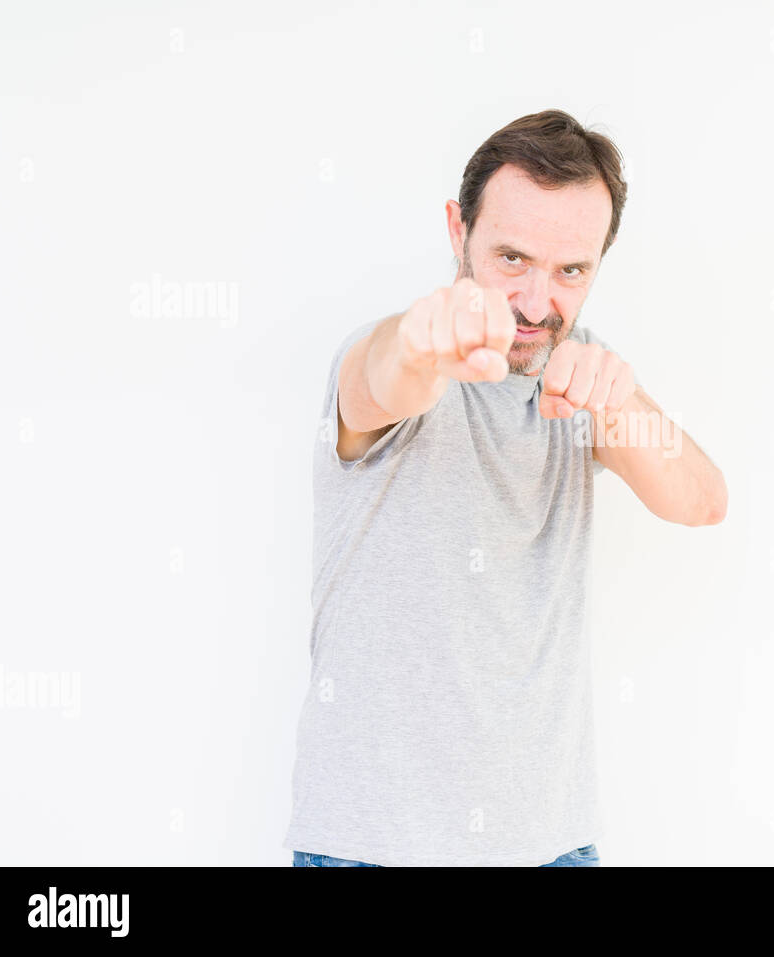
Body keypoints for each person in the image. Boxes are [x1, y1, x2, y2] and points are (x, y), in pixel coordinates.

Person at [283, 109, 727, 866]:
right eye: (511, 258)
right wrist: (420, 347)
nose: (533, 302)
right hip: (369, 849)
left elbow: (701, 498)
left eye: (570, 271)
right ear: (459, 232)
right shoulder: (402, 349)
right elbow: (381, 379)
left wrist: (622, 405)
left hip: (550, 846)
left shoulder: (584, 376)